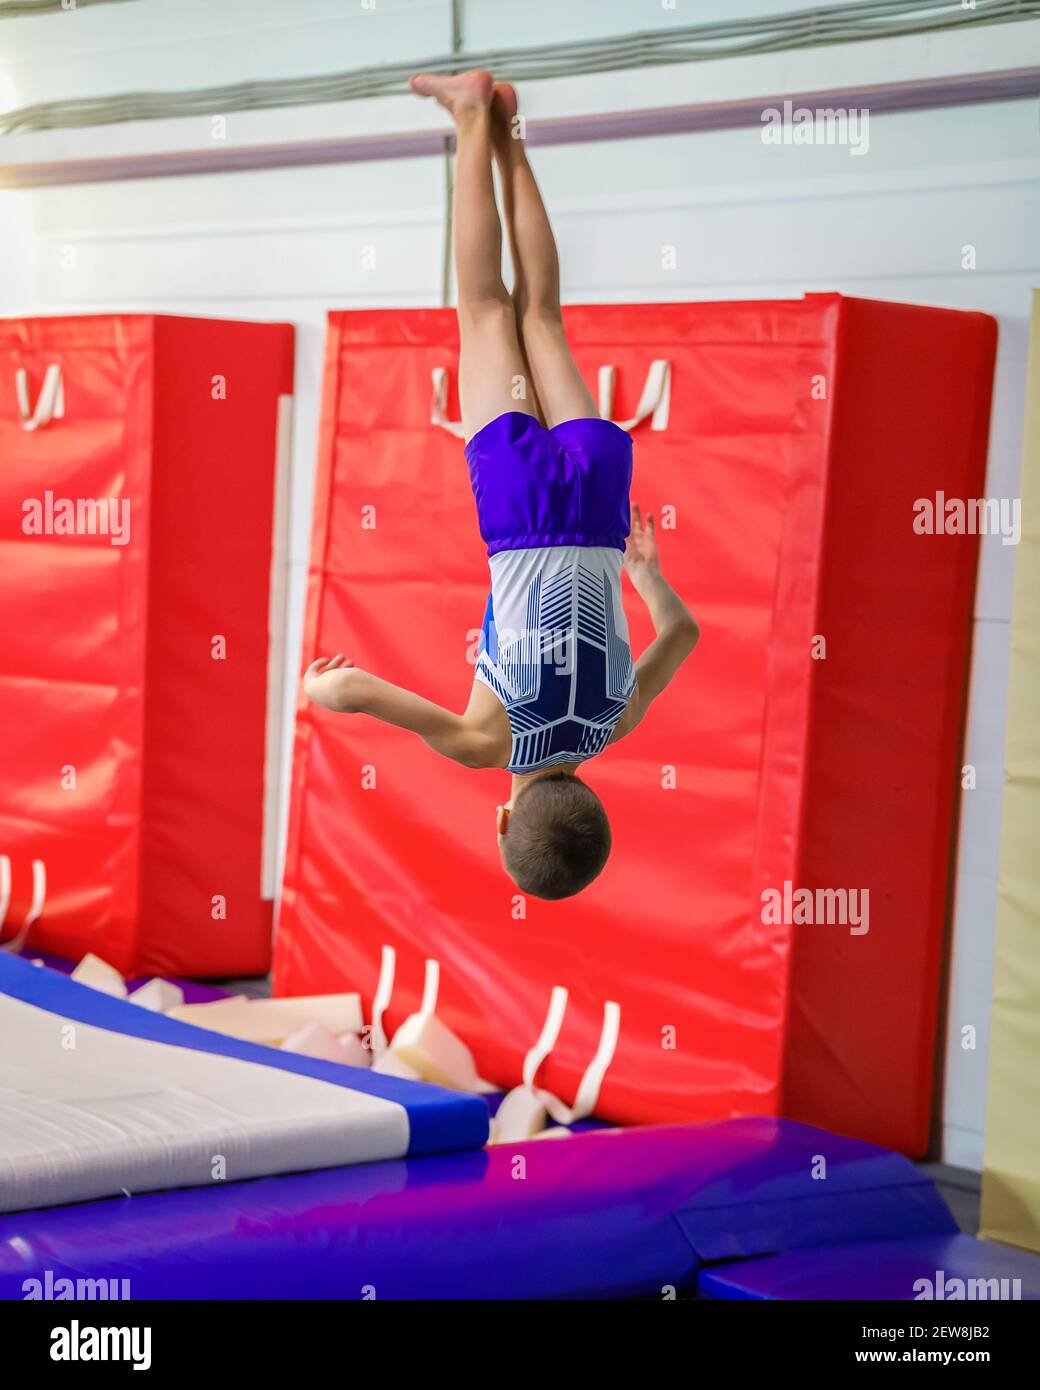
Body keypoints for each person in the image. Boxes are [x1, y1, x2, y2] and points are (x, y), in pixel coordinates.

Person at [305, 71, 698, 900]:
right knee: (484, 309)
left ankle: (511, 130)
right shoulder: (486, 743)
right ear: (501, 819)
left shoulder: (615, 722)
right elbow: (354, 689)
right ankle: (470, 115)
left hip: (596, 506)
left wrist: (646, 576)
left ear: (591, 793)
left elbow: (685, 634)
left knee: (543, 314)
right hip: (520, 509)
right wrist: (321, 688)